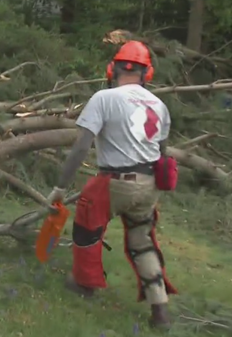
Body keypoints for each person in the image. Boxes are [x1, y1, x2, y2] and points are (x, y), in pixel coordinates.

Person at [45, 41, 177, 329]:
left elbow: (81, 147)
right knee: (142, 242)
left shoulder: (103, 98)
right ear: (147, 73)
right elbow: (162, 152)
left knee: (87, 226)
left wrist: (61, 187)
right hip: (149, 183)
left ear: (111, 69)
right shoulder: (160, 105)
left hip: (116, 181)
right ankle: (160, 309)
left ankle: (84, 284)